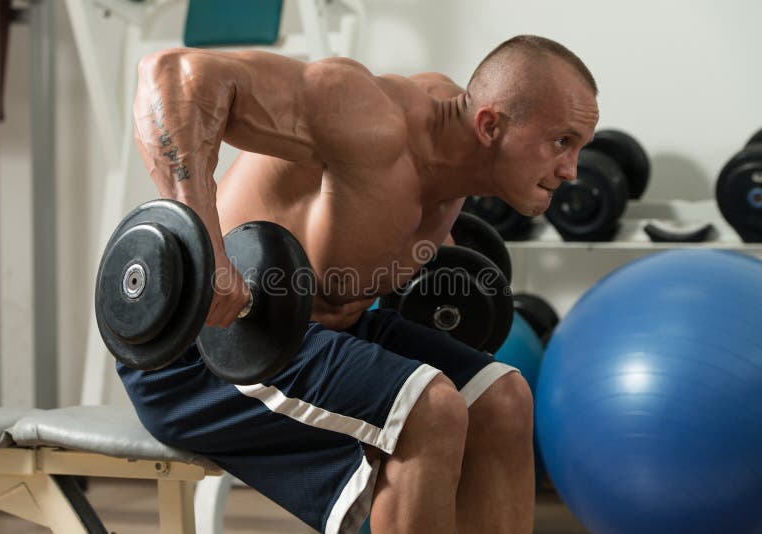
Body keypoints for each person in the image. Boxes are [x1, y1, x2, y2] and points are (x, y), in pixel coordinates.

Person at [118, 34, 599, 534]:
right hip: (207, 351)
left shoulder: (457, 142)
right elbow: (171, 73)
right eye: (561, 142)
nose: (571, 171)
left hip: (319, 336)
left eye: (580, 148)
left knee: (503, 399)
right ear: (490, 125)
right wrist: (205, 253)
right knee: (429, 409)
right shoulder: (366, 119)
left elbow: (395, 225)